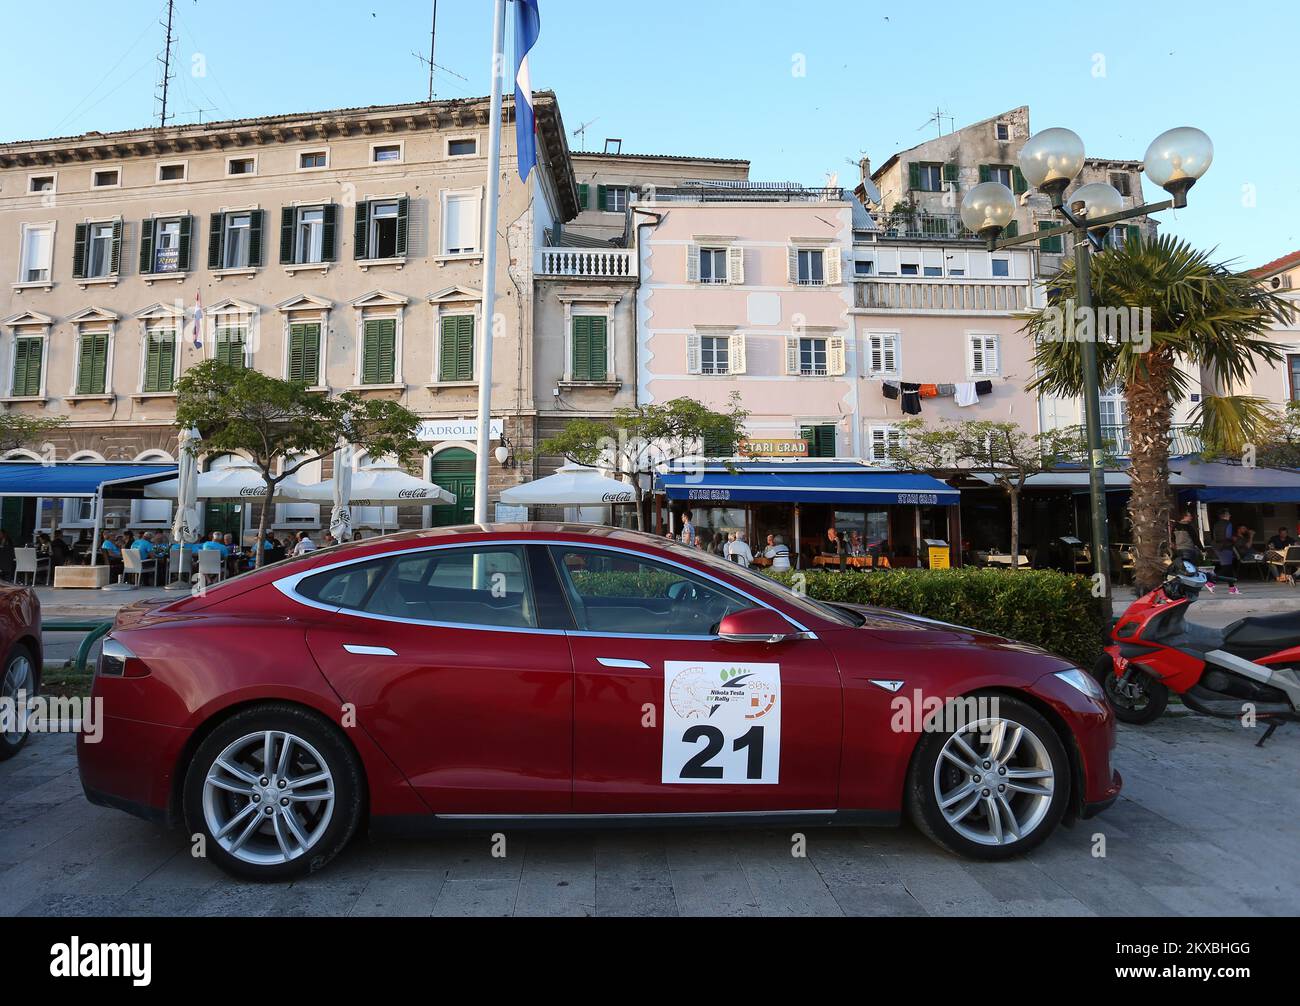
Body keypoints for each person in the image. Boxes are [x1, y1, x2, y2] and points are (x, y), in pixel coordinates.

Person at [1211, 508, 1241, 595]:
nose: (1230, 516)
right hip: (1225, 547)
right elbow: (1228, 535)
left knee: (1228, 568)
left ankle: (1232, 588)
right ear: (1224, 515)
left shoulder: (1216, 524)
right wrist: (1234, 538)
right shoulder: (1228, 523)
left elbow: (1215, 536)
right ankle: (1211, 582)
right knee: (1226, 568)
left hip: (1217, 546)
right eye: (1228, 514)